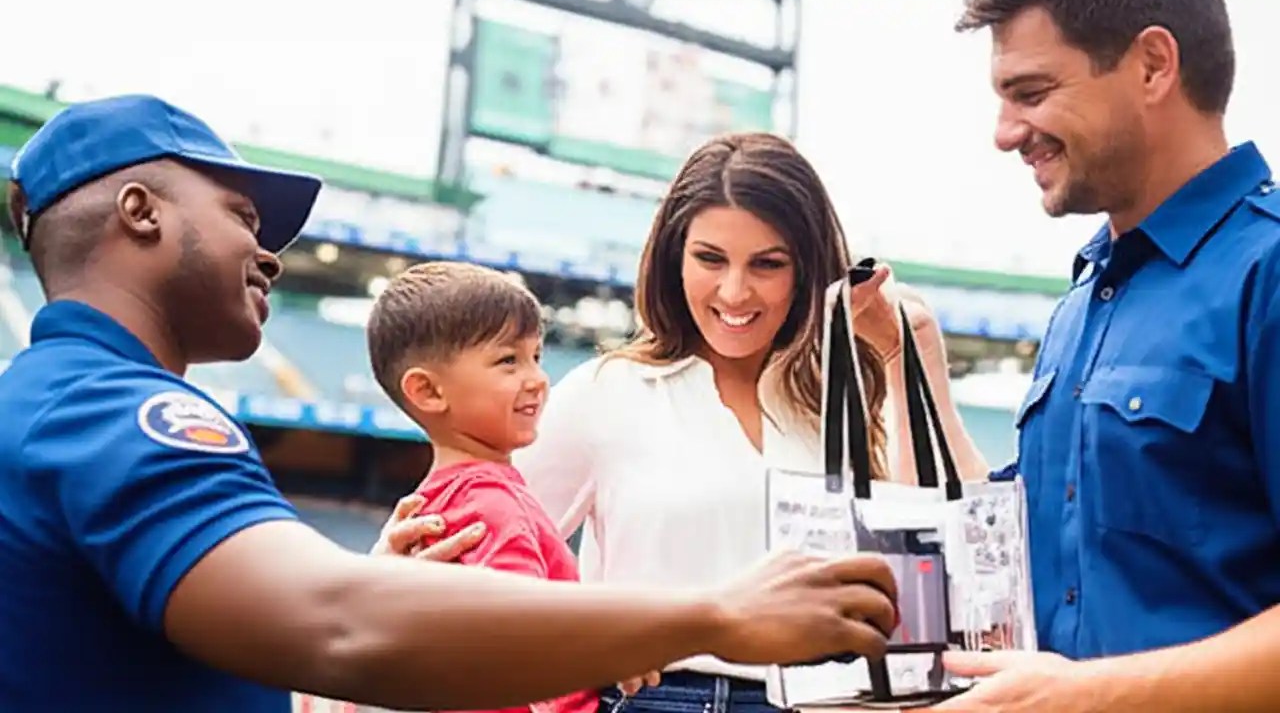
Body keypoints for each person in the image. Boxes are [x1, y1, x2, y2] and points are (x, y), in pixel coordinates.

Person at [0, 94, 905, 712]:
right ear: (140, 212)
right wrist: (715, 615)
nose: (269, 252)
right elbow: (339, 622)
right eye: (242, 214)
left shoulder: (64, 404)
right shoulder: (113, 416)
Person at [381, 132, 990, 713]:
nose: (733, 290)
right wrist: (391, 567)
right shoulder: (607, 394)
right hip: (666, 698)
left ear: (806, 268)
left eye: (767, 264)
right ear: (674, 258)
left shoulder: (846, 404)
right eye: (710, 258)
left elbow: (962, 546)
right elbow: (477, 548)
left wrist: (912, 354)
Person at [914, 0, 1280, 710]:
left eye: (1032, 92)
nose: (1005, 132)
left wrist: (1087, 697)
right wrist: (914, 370)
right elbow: (1013, 548)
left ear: (1151, 66)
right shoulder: (1080, 306)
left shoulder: (1267, 276)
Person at [365, 260, 661, 713]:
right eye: (508, 361)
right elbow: (519, 623)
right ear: (427, 391)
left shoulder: (435, 500)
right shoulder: (491, 500)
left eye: (536, 357)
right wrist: (611, 639)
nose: (537, 379)